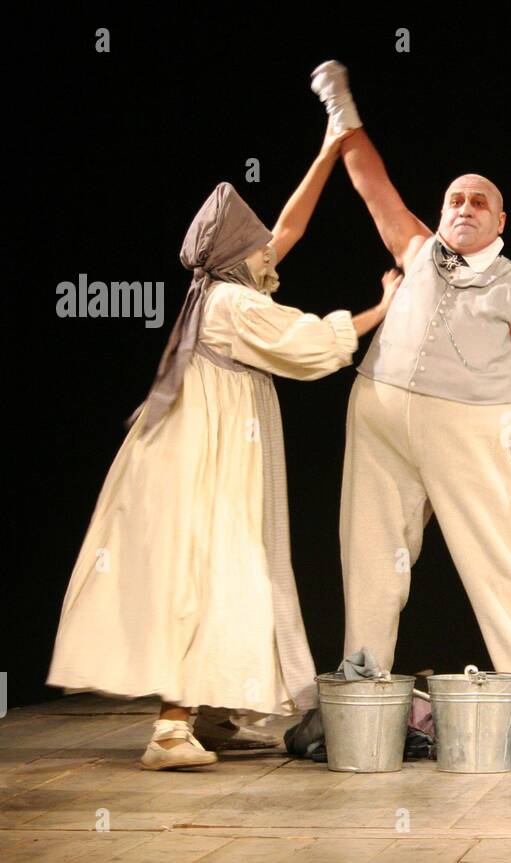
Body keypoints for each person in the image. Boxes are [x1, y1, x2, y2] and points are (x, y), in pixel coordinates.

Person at [47, 125, 402, 770]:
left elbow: (285, 232)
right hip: (204, 463)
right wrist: (384, 305)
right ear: (239, 255)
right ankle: (171, 731)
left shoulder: (217, 288)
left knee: (238, 572)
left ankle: (211, 714)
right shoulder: (234, 303)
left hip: (209, 450)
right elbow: (307, 344)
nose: (271, 248)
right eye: (258, 244)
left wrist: (325, 152)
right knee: (211, 574)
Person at [307, 61, 511, 772]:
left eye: (480, 201)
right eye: (456, 197)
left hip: (471, 426)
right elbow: (369, 182)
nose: (465, 206)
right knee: (370, 557)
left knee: (500, 565)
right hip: (381, 417)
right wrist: (344, 114)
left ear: (501, 220)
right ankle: (363, 693)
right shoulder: (417, 250)